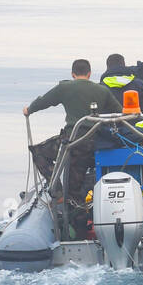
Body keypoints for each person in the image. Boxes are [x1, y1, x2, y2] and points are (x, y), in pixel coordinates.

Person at [24, 59, 120, 190]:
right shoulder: (103, 90)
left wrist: (29, 110)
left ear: (72, 74)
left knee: (38, 152)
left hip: (72, 142)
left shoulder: (64, 87)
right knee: (76, 183)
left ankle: (57, 192)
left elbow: (43, 101)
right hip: (94, 142)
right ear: (89, 74)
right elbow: (120, 112)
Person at [101, 53, 143, 134]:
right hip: (138, 135)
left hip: (108, 135)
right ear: (124, 65)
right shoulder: (140, 85)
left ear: (107, 68)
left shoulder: (100, 88)